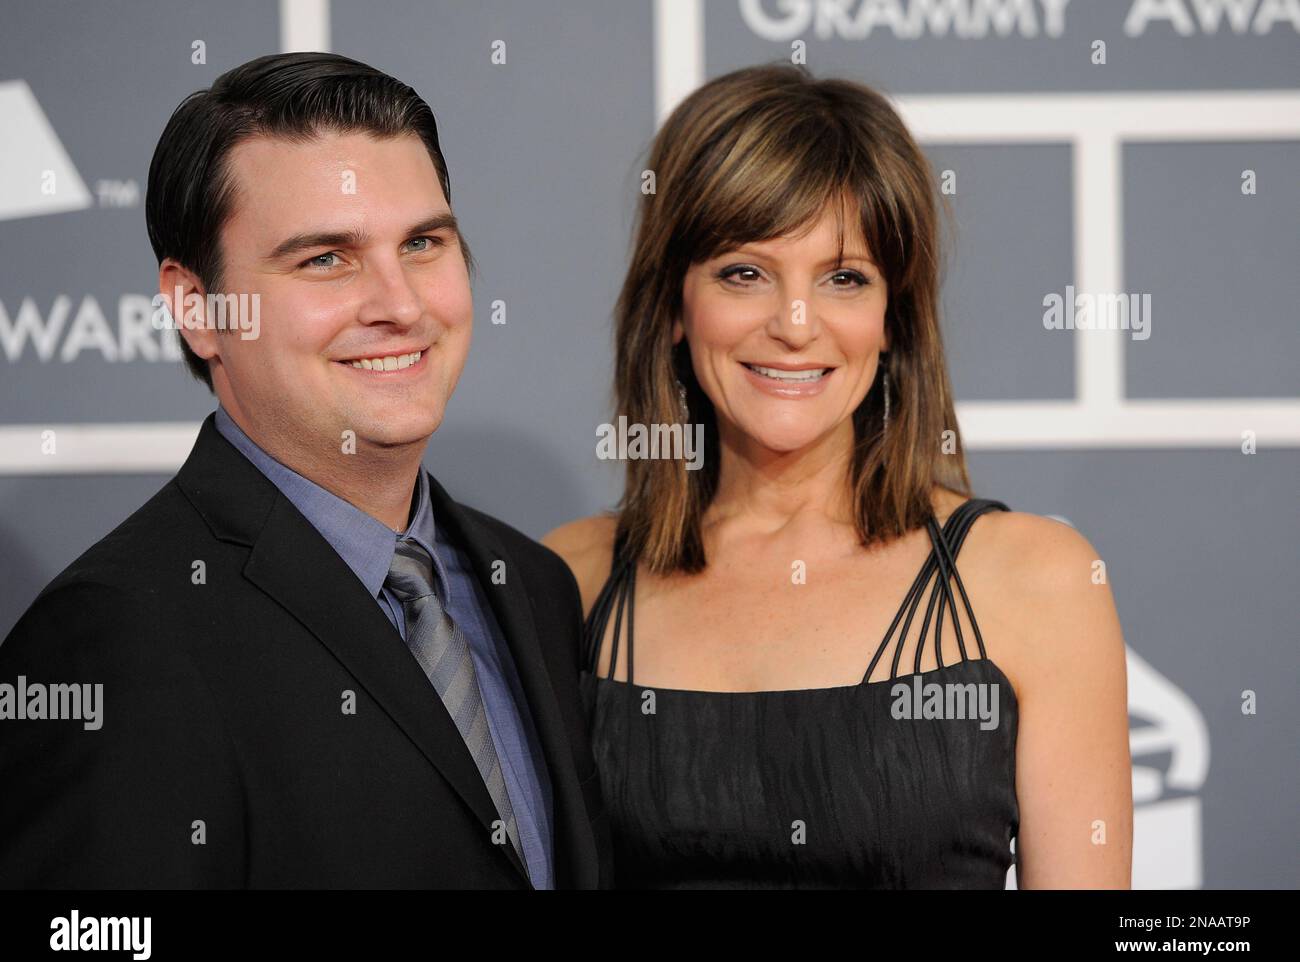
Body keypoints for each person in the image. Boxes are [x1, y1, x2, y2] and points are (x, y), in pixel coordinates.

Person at [0, 52, 609, 889]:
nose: (400, 304)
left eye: (424, 243)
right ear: (198, 309)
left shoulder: (531, 586)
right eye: (327, 258)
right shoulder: (118, 640)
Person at [544, 65, 1132, 889]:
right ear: (676, 306)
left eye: (843, 278)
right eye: (744, 272)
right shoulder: (568, 582)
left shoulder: (1036, 581)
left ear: (893, 316)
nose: (793, 325)